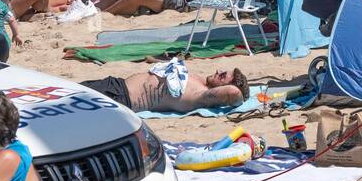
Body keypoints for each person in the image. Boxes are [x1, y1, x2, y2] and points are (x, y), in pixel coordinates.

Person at [82, 64, 249, 115]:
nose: (218, 71)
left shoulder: (200, 96)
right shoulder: (200, 81)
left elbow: (234, 94)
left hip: (119, 99)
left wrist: (239, 89)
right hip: (114, 84)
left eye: (223, 76)